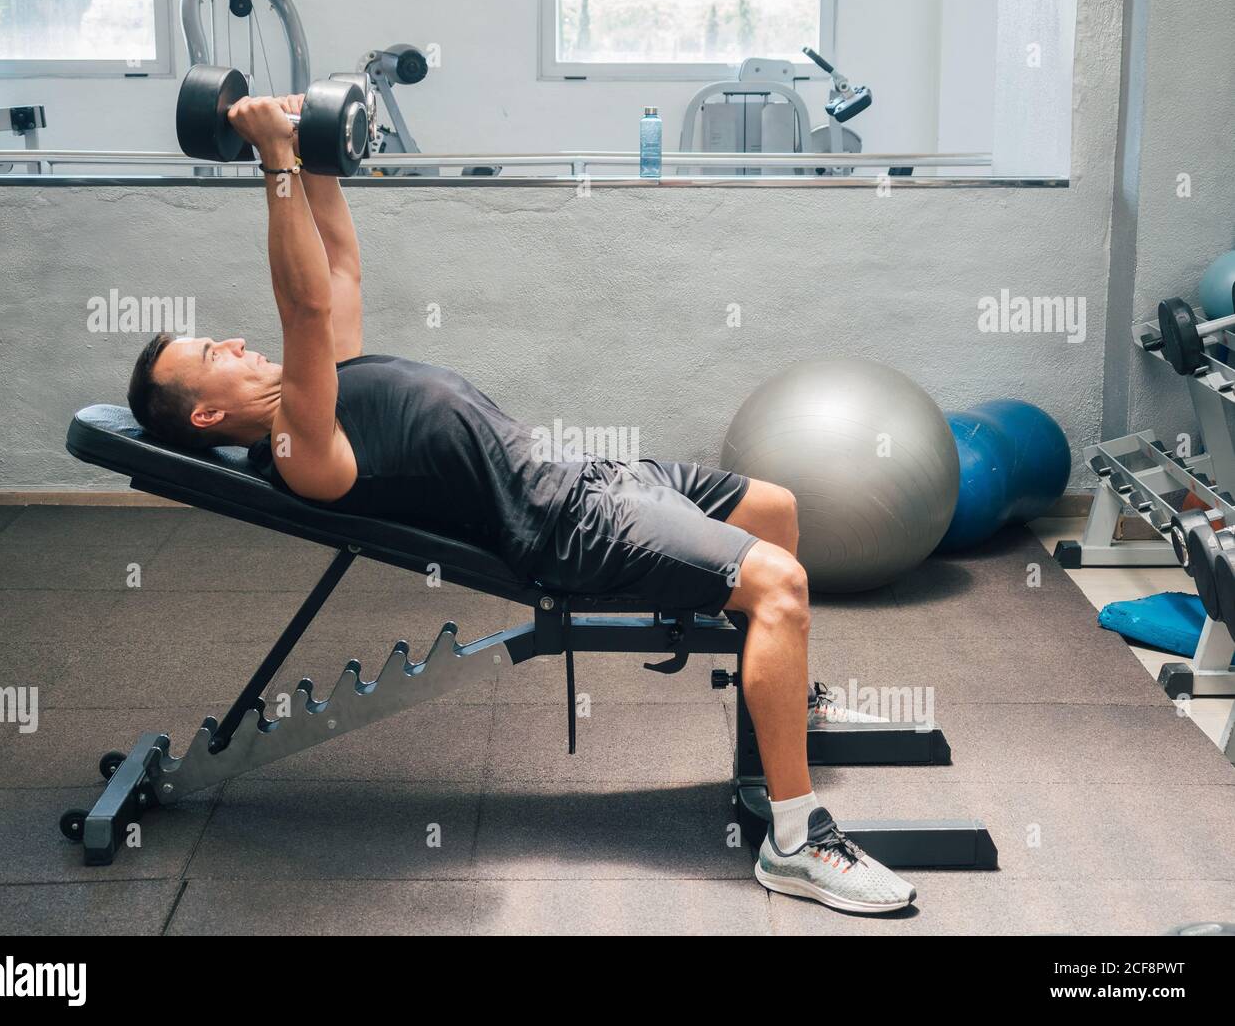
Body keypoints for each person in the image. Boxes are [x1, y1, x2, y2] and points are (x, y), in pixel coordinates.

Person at [126, 93, 914, 914]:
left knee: (775, 508)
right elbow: (304, 305)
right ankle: (796, 841)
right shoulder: (300, 448)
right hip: (568, 528)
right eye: (211, 353)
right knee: (780, 583)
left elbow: (340, 270)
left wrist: (313, 149)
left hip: (590, 478)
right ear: (207, 414)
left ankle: (793, 707)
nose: (234, 341)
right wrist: (275, 162)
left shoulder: (322, 382)